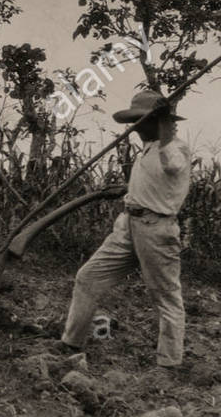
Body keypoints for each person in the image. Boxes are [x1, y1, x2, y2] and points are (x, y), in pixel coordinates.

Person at [58, 90, 190, 368]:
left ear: (159, 123)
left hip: (157, 229)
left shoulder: (175, 148)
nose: (136, 128)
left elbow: (173, 167)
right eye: (135, 122)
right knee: (88, 277)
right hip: (128, 225)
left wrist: (166, 128)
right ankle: (70, 342)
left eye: (142, 121)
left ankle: (169, 363)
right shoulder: (148, 148)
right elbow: (153, 183)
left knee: (166, 297)